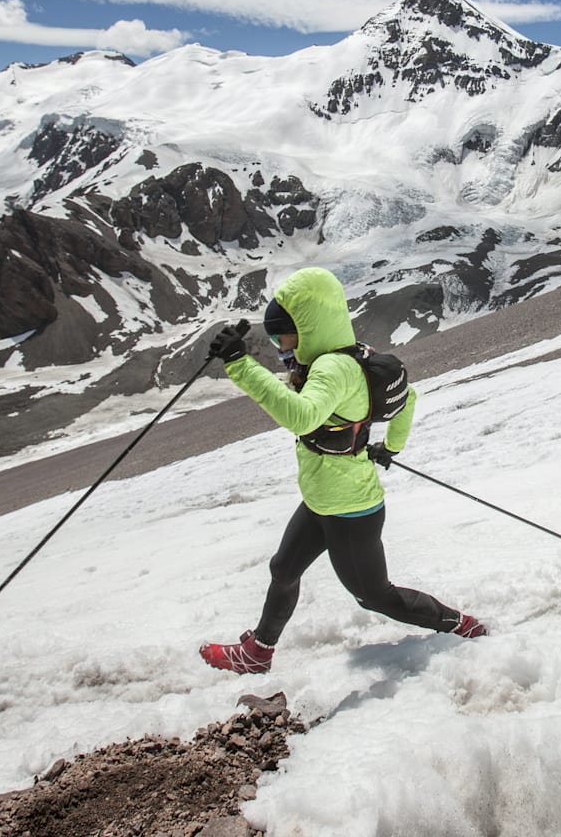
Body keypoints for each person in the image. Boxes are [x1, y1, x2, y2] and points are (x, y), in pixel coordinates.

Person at [200, 266, 486, 674]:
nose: (281, 345)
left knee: (374, 596)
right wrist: (389, 448)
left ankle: (464, 627)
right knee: (284, 569)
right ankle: (257, 652)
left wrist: (240, 365)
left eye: (284, 335)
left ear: (307, 326)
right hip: (324, 499)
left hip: (350, 510)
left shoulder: (333, 369)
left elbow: (302, 418)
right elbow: (410, 398)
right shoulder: (348, 357)